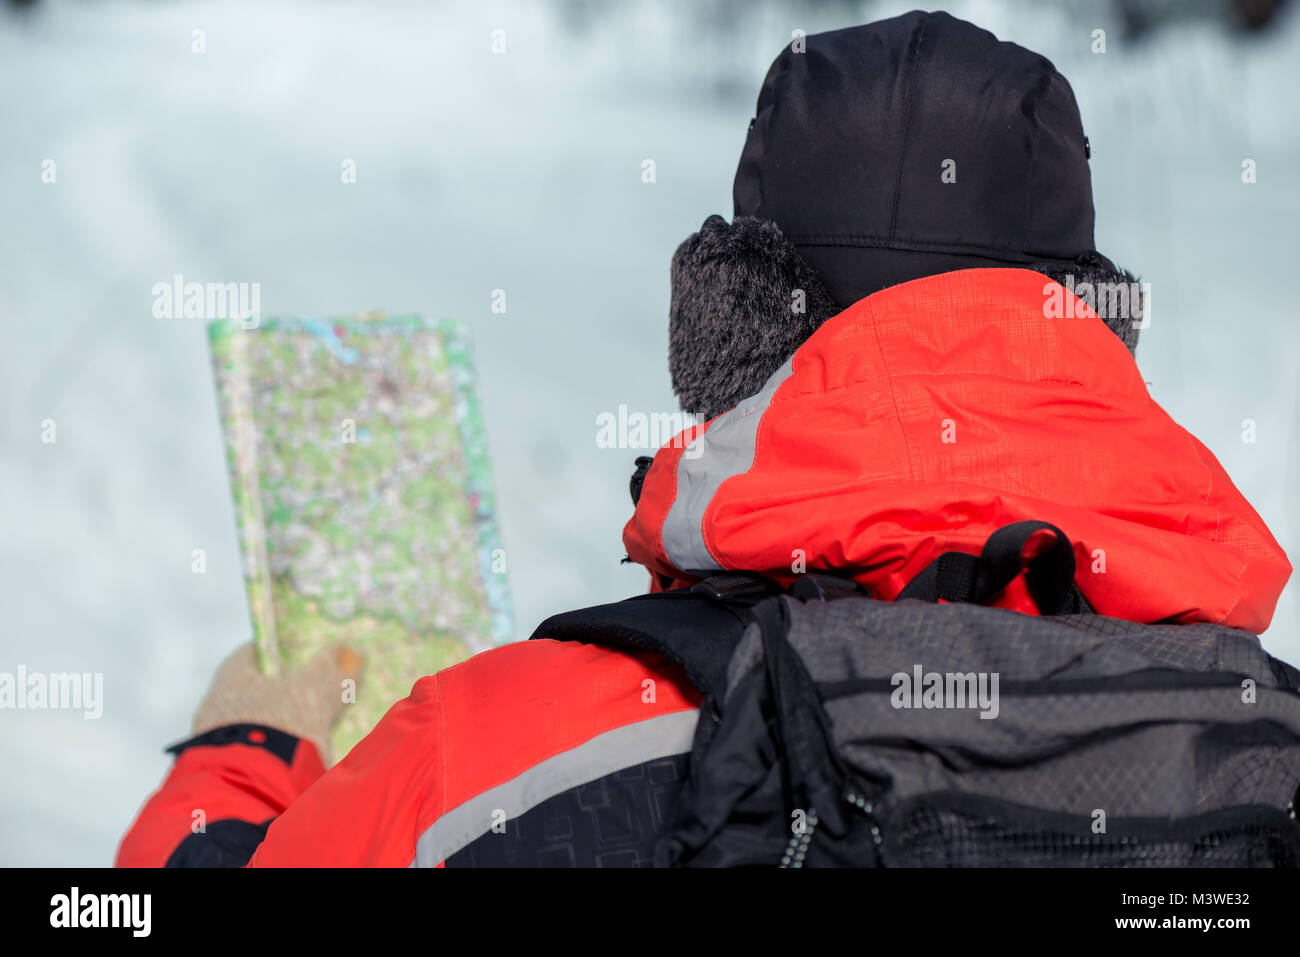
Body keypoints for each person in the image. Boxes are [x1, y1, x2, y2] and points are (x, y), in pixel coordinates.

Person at [117, 10, 1290, 868]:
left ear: (731, 330)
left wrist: (246, 739)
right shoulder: (1264, 749)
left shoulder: (503, 756)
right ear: (1086, 343)